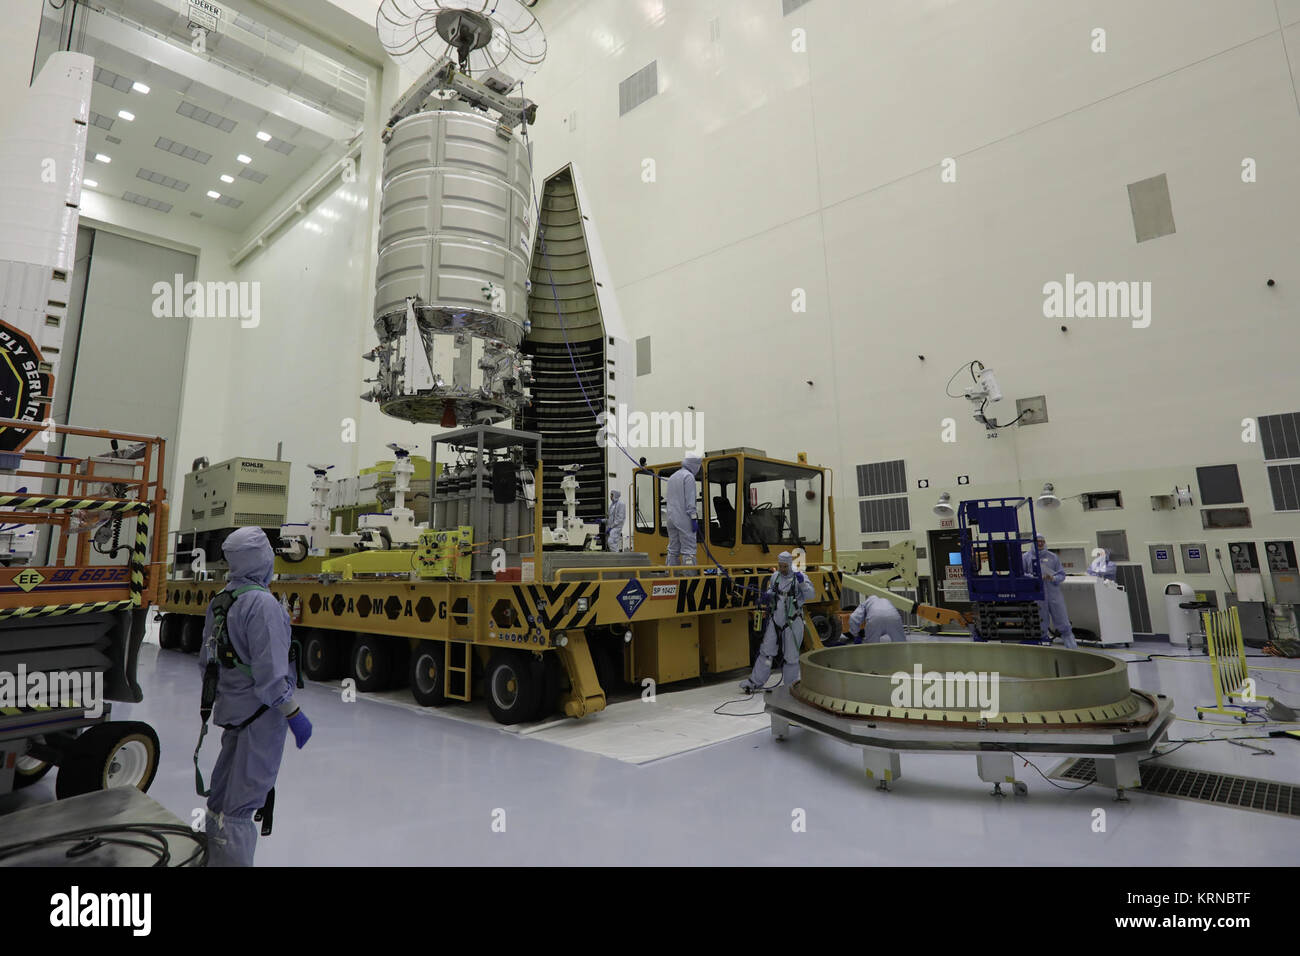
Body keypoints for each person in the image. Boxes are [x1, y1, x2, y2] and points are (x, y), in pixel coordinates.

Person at [199, 527, 312, 866]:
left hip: (233, 711)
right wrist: (294, 715)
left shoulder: (221, 600)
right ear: (262, 558)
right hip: (261, 716)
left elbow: (208, 663)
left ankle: (213, 857)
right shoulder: (262, 605)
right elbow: (271, 676)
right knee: (242, 803)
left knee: (221, 796)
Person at [740, 551, 815, 692]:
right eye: (780, 566)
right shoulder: (776, 577)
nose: (782, 569)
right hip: (775, 621)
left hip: (793, 622)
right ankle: (755, 681)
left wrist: (803, 583)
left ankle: (790, 686)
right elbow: (772, 591)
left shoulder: (799, 577)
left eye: (785, 566)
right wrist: (767, 596)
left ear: (790, 564)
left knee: (791, 657)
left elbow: (811, 594)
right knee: (766, 652)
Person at [1022, 533, 1077, 649]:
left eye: (1042, 541)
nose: (1040, 543)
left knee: (1063, 621)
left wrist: (1053, 578)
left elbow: (1062, 574)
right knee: (1040, 622)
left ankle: (1072, 648)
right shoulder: (1026, 557)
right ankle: (1043, 648)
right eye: (1038, 541)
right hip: (1037, 595)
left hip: (1054, 594)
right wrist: (1034, 577)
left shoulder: (1053, 557)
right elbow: (1022, 575)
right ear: (1033, 543)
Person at [664, 453, 702, 568]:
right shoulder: (688, 477)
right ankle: (689, 577)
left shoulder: (673, 476)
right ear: (695, 464)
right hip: (684, 518)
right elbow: (690, 501)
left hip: (670, 519)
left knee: (673, 549)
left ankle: (671, 575)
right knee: (688, 551)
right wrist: (694, 518)